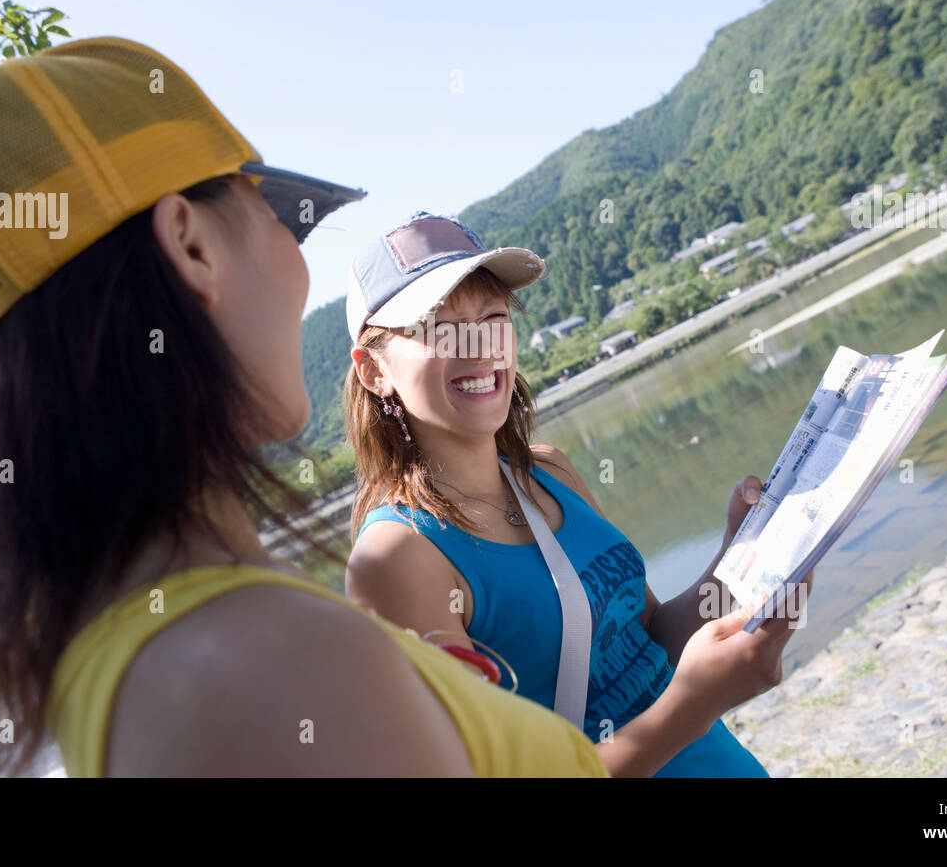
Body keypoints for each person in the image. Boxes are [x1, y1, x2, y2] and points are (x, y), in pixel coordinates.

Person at [0, 35, 633, 776]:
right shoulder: (271, 665)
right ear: (191, 247)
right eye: (278, 217)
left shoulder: (119, 662)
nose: (300, 270)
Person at [343, 212, 811, 777]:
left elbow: (647, 646)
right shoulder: (397, 558)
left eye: (492, 318)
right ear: (374, 371)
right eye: (438, 329)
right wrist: (698, 702)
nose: (477, 347)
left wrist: (739, 557)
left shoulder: (550, 472)